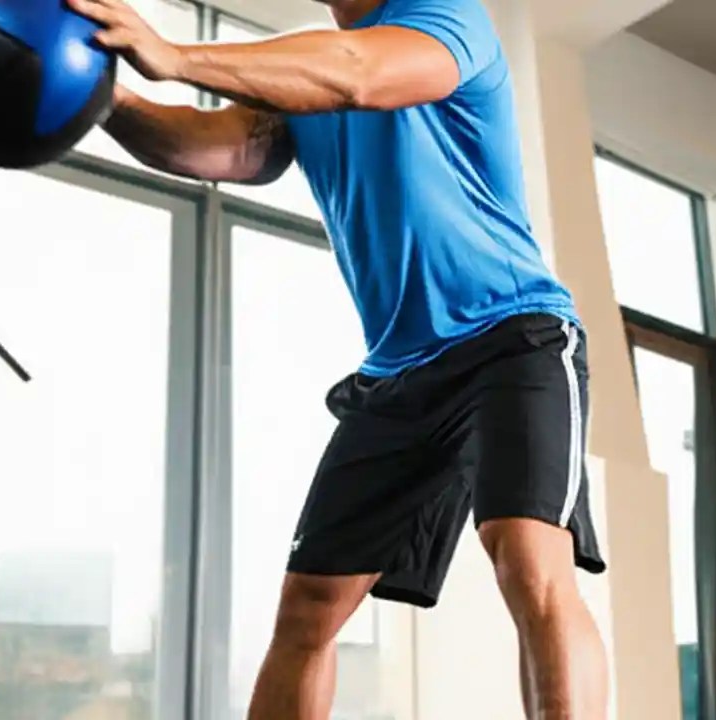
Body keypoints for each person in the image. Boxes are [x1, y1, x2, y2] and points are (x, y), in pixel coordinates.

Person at [67, 0, 610, 717]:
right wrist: (92, 94)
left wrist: (175, 55)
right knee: (307, 611)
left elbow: (361, 74)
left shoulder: (446, 18)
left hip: (512, 336)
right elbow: (216, 148)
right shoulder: (303, 75)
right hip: (396, 374)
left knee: (528, 557)